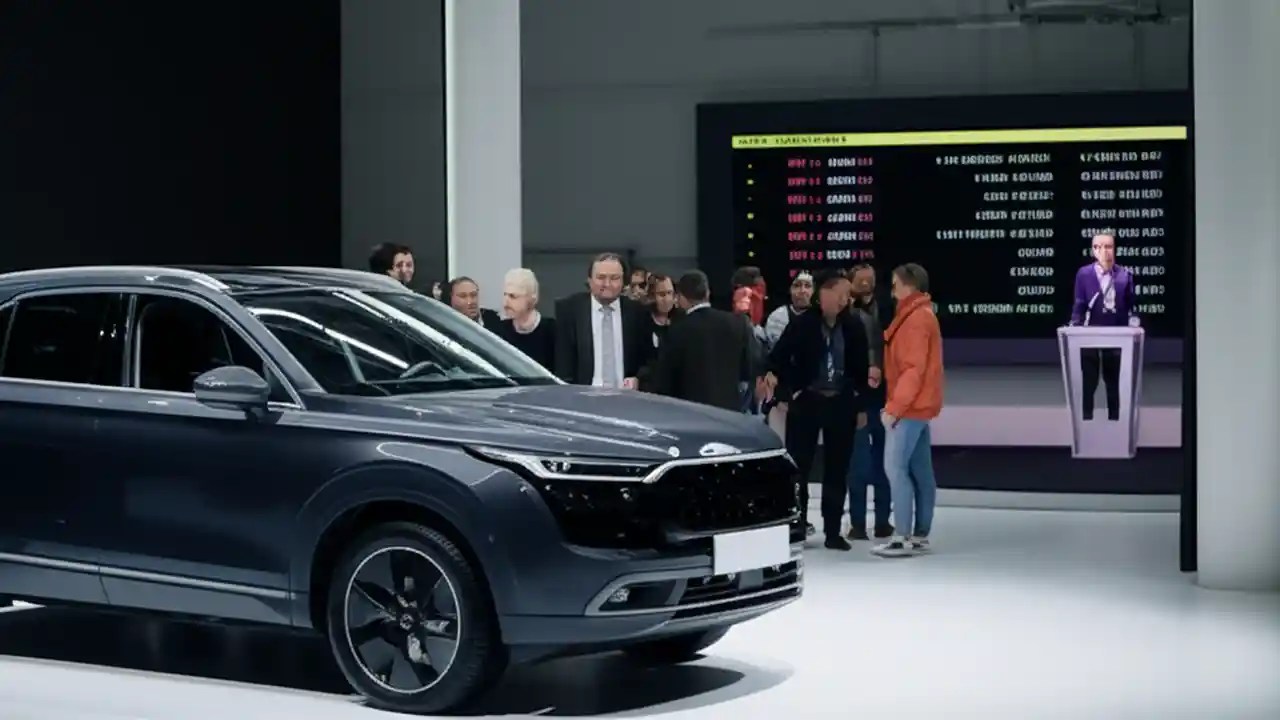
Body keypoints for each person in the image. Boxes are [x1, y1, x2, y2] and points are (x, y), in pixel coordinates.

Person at [766, 270, 870, 550]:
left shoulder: (854, 326)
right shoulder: (802, 324)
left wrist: (861, 407)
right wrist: (790, 392)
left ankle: (833, 531)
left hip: (841, 403)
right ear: (824, 294)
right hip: (808, 402)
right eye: (841, 294)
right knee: (799, 467)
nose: (846, 299)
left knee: (837, 469)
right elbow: (777, 360)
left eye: (847, 295)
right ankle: (797, 526)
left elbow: (861, 371)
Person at [873, 263, 945, 558]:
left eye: (895, 284)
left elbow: (912, 370)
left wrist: (894, 408)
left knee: (896, 468)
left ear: (909, 285)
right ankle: (918, 535)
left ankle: (902, 536)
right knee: (920, 471)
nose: (892, 290)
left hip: (910, 408)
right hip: (919, 407)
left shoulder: (916, 319)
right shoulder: (920, 315)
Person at [648, 271, 752, 412]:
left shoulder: (676, 331)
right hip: (730, 414)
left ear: (681, 298)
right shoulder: (738, 323)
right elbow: (749, 367)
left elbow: (666, 381)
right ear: (707, 293)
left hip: (691, 415)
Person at [1069, 231, 1139, 421]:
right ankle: (1086, 421)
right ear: (1094, 250)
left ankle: (1115, 422)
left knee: (1113, 382)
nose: (1106, 251)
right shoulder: (1084, 274)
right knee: (1089, 382)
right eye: (1101, 247)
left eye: (1110, 247)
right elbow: (1079, 303)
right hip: (1089, 336)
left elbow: (1131, 306)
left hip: (1117, 337)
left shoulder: (1125, 275)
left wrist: (1134, 324)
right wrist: (1074, 324)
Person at [847, 264, 894, 540]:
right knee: (858, 465)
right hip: (857, 400)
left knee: (884, 465)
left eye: (870, 280)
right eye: (860, 280)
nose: (866, 285)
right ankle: (857, 523)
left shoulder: (888, 309)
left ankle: (883, 521)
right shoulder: (845, 317)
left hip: (886, 398)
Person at [554, 253, 648, 387]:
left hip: (626, 397)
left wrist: (638, 380)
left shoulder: (638, 313)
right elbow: (563, 363)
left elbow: (649, 361)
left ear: (623, 281)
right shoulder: (569, 310)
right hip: (583, 397)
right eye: (601, 277)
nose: (607, 284)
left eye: (615, 278)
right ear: (589, 280)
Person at [497, 268, 556, 370]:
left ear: (531, 299)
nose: (505, 303)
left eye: (513, 296)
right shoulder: (498, 331)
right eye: (504, 295)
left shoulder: (553, 331)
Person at [764, 272, 813, 348]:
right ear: (790, 290)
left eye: (807, 286)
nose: (802, 291)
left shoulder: (821, 317)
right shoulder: (777, 317)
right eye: (797, 286)